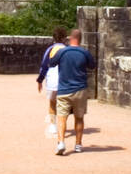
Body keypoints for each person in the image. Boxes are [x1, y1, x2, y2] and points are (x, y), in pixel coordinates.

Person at [49, 28, 96, 156]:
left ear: (70, 38)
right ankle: (78, 145)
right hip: (80, 90)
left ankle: (61, 143)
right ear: (80, 39)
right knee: (79, 118)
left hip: (64, 89)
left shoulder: (62, 52)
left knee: (61, 118)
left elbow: (51, 63)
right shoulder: (84, 52)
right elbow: (92, 65)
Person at [36, 27, 67, 139]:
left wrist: (40, 80)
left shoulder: (50, 50)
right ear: (64, 38)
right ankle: (61, 124)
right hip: (64, 81)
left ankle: (53, 125)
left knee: (52, 103)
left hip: (52, 81)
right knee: (63, 104)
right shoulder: (67, 50)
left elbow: (44, 66)